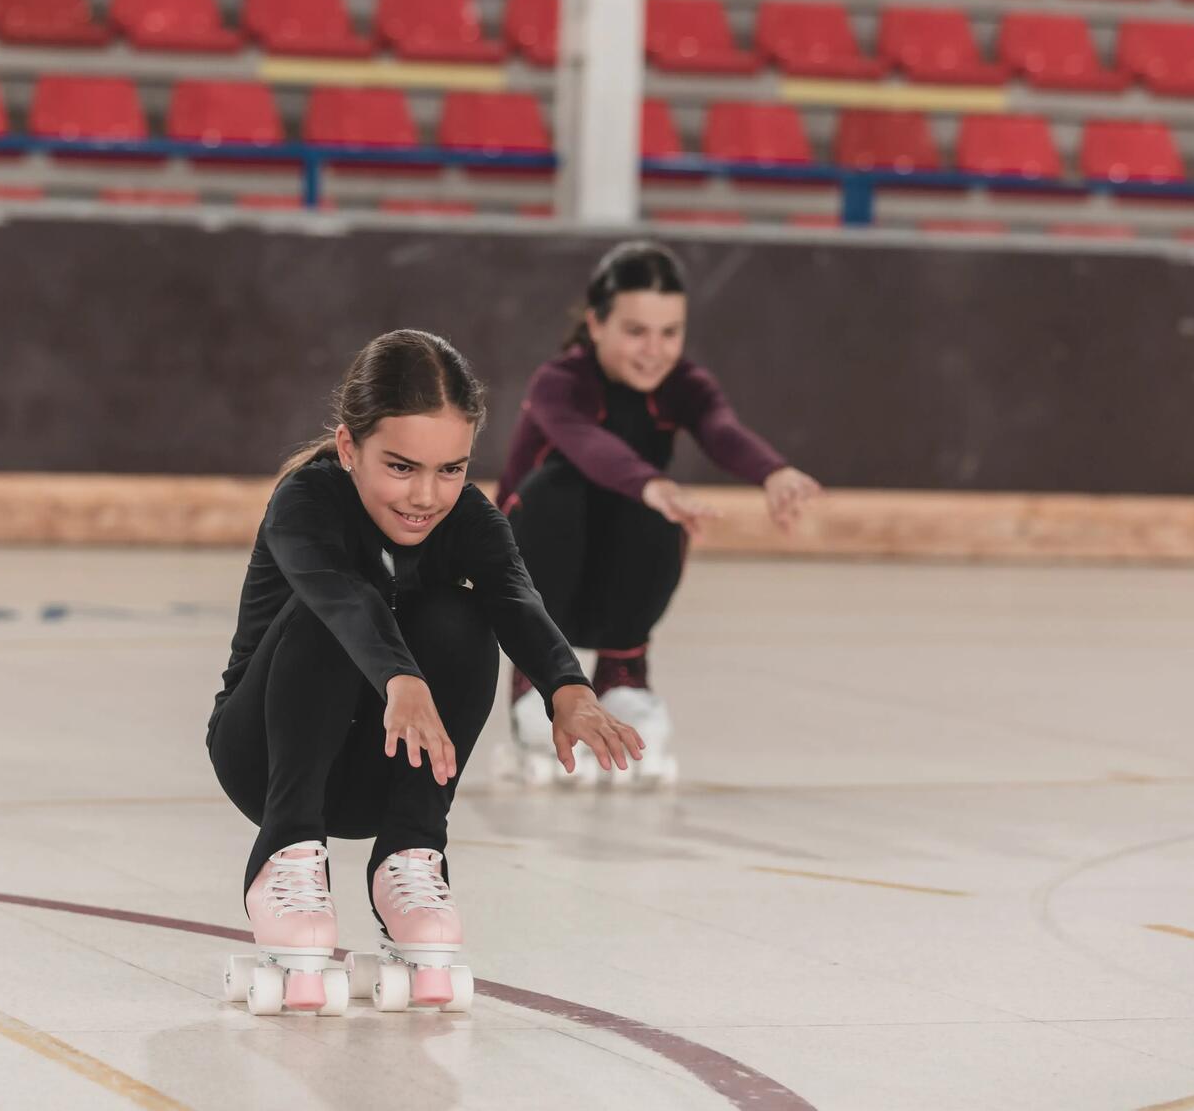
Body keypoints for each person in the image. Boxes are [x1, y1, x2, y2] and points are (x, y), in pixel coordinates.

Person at [207, 328, 643, 1015]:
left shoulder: (469, 519)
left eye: (451, 469)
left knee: (461, 614)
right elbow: (346, 600)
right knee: (327, 611)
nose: (426, 495)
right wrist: (401, 679)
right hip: (264, 757)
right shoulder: (306, 502)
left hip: (381, 769)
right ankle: (286, 857)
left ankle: (409, 855)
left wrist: (569, 686)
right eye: (401, 466)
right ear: (350, 447)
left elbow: (516, 599)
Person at [496, 240, 821, 782]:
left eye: (669, 333)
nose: (654, 350)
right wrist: (650, 484)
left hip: (615, 569)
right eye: (636, 331)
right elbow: (587, 444)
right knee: (562, 486)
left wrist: (773, 471)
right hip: (534, 573)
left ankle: (624, 670)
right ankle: (542, 674)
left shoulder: (685, 386)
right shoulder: (560, 383)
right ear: (596, 324)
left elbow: (721, 430)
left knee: (660, 511)